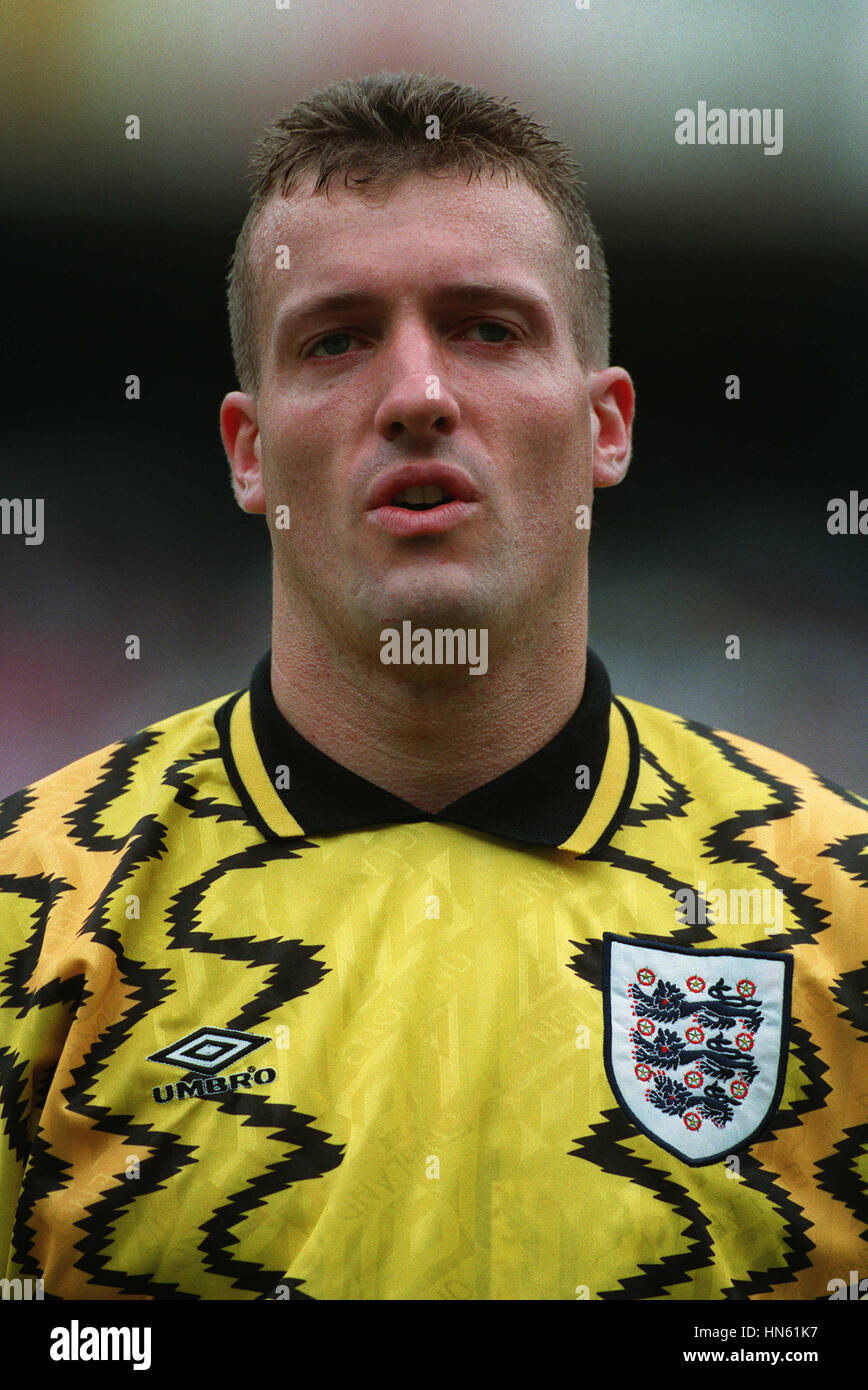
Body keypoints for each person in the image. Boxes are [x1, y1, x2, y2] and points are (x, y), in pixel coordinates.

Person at [1, 71, 865, 1302]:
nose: (416, 397)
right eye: (338, 338)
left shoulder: (843, 914)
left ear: (605, 425)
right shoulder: (30, 912)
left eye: (487, 328)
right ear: (249, 451)